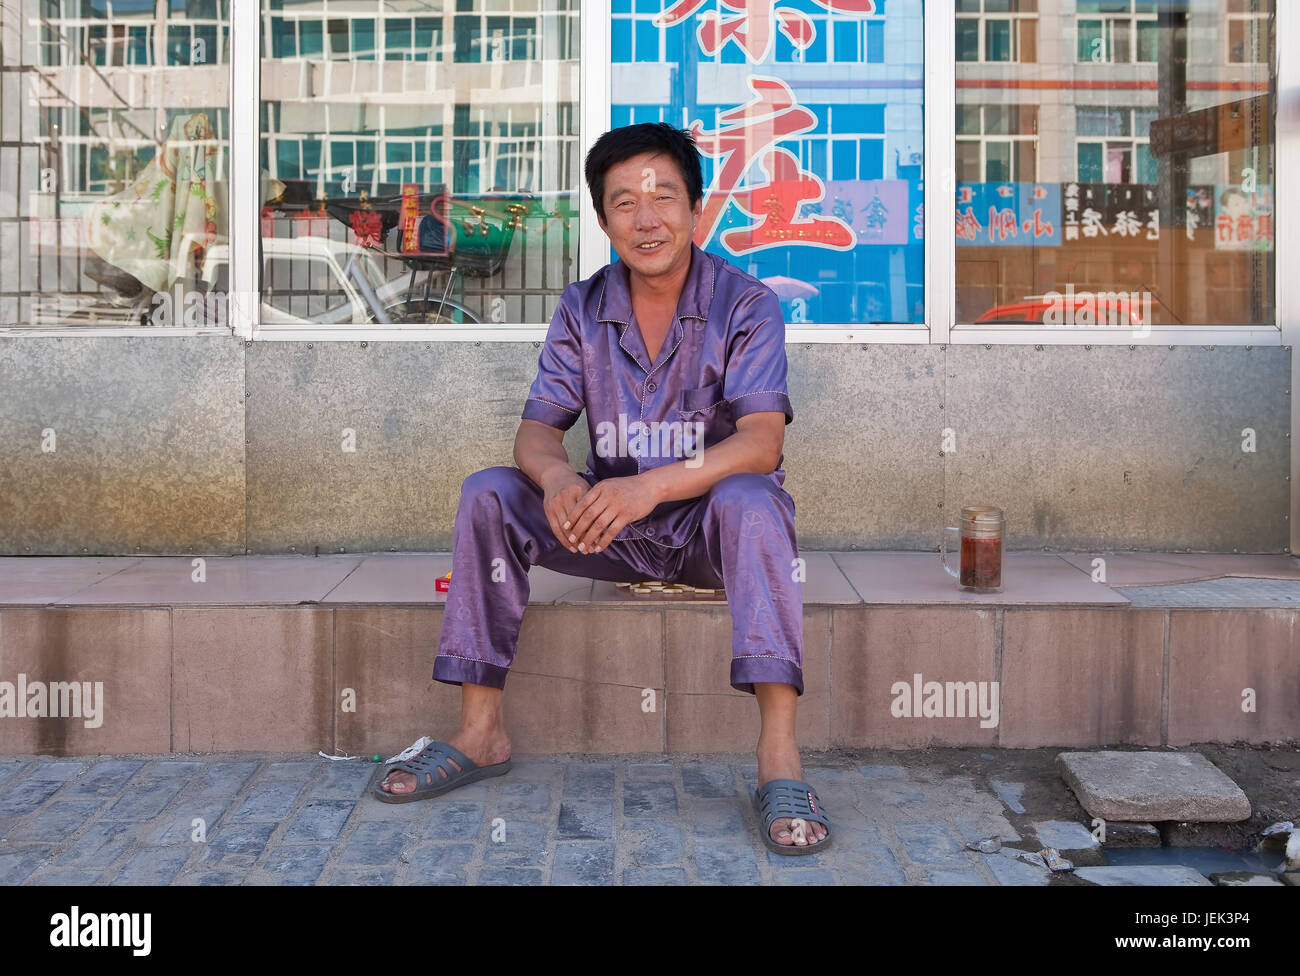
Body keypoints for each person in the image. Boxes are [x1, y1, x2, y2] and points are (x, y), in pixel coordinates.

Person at [375, 122, 829, 853]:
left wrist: (650, 488)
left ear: (696, 207)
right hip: (608, 527)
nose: (647, 220)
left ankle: (779, 755)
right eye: (625, 203)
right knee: (490, 492)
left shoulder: (746, 305)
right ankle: (480, 730)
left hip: (709, 535)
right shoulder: (582, 306)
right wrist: (557, 476)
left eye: (664, 198)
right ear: (602, 218)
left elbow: (761, 442)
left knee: (753, 498)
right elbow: (536, 431)